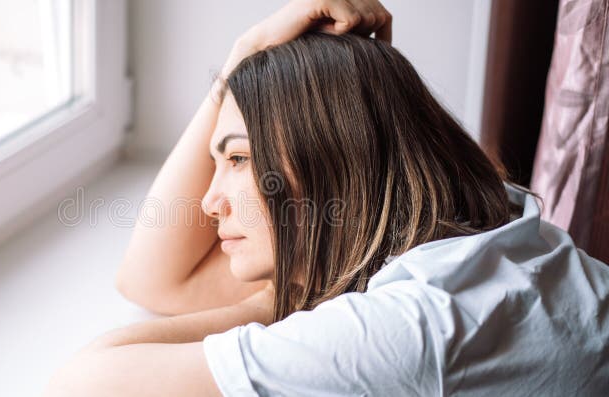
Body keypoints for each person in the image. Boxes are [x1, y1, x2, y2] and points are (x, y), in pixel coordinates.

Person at [42, 0, 609, 396]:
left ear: (334, 162)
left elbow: (78, 385)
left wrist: (283, 301)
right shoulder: (485, 219)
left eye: (237, 159)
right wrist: (241, 58)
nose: (210, 201)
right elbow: (154, 281)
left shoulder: (416, 326)